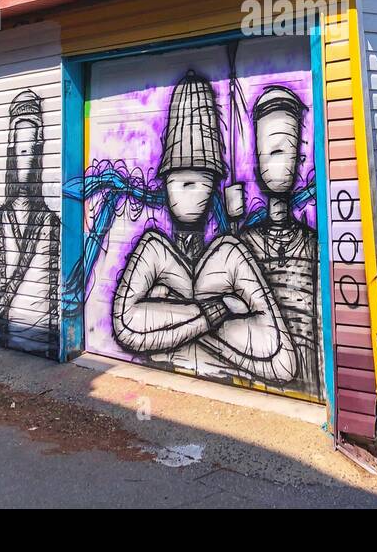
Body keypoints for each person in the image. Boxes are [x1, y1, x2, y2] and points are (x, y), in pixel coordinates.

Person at [111, 71, 297, 386]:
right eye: (179, 178)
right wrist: (219, 311)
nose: (188, 187)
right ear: (166, 182)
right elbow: (124, 325)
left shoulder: (228, 255)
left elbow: (283, 361)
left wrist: (170, 312)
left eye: (200, 177)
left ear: (213, 185)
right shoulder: (155, 250)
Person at [239, 85, 319, 393]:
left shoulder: (312, 245)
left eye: (288, 151)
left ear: (301, 158)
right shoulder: (244, 244)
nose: (280, 163)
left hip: (309, 377)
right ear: (256, 162)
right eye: (272, 152)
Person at [0, 90, 60, 355]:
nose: (25, 153)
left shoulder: (50, 224)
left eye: (31, 144)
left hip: (43, 342)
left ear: (39, 149)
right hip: (2, 340)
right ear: (11, 151)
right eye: (20, 144)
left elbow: (56, 288)